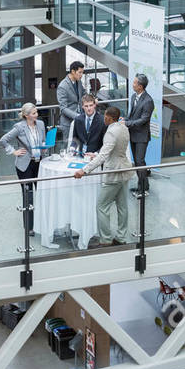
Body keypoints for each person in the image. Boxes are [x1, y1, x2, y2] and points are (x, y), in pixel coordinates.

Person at [74, 105, 131, 246]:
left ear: (109, 118)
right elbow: (114, 151)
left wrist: (85, 170)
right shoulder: (123, 128)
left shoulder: (111, 132)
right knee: (122, 207)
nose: (103, 118)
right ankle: (121, 237)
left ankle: (105, 239)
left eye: (105, 116)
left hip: (113, 173)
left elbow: (104, 156)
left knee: (101, 206)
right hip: (124, 170)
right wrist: (97, 154)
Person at [0, 102, 47, 208]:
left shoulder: (40, 124)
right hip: (25, 165)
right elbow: (3, 140)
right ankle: (28, 222)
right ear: (26, 115)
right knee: (27, 194)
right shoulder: (19, 127)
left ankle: (40, 219)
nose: (36, 115)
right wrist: (13, 151)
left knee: (41, 191)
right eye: (34, 113)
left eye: (36, 112)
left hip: (39, 162)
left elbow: (43, 140)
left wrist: (44, 146)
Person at [122, 73, 155, 197]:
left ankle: (142, 190)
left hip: (141, 136)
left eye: (135, 83)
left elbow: (143, 120)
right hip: (133, 134)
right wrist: (124, 119)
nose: (133, 84)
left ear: (140, 86)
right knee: (137, 161)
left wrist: (128, 123)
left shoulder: (148, 101)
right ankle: (143, 185)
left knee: (140, 161)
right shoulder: (133, 97)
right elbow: (132, 115)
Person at [56, 61, 86, 147]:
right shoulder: (63, 86)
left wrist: (92, 100)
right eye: (80, 72)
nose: (81, 75)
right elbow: (63, 108)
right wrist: (77, 116)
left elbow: (83, 94)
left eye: (82, 72)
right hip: (68, 122)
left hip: (80, 119)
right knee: (67, 146)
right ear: (73, 71)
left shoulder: (78, 82)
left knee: (79, 144)